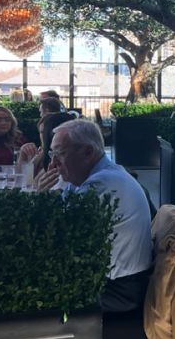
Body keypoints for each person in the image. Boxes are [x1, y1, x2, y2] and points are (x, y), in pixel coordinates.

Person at [37, 119, 154, 312]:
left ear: (88, 152)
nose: (54, 162)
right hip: (112, 282)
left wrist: (41, 199)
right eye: (52, 153)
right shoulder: (90, 177)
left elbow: (56, 236)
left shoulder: (103, 184)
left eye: (60, 154)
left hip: (117, 292)